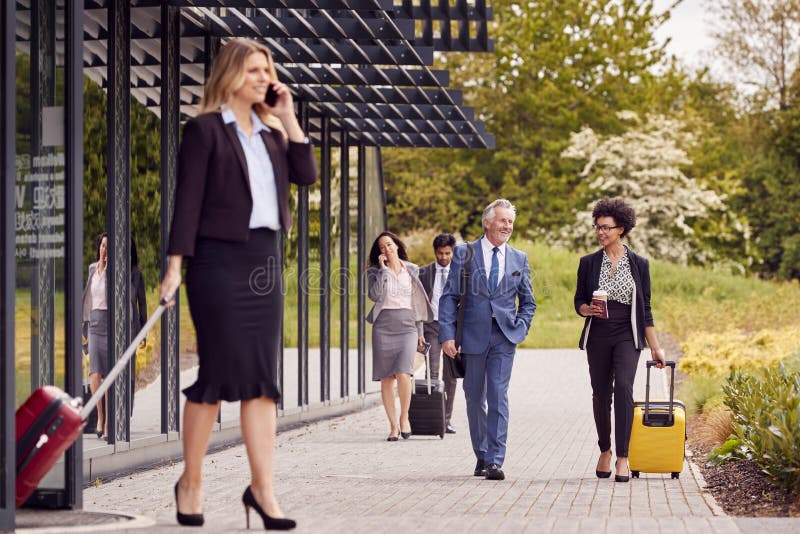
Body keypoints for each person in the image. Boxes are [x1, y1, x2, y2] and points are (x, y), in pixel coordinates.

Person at [159, 38, 317, 530]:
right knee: (216, 375)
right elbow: (187, 202)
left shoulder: (272, 135)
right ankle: (191, 482)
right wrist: (174, 268)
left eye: (267, 69)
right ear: (230, 75)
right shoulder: (204, 131)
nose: (264, 78)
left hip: (263, 260)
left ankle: (263, 491)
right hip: (216, 264)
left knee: (262, 383)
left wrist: (288, 117)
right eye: (253, 70)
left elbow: (307, 174)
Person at [439, 199, 536, 481]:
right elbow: (449, 297)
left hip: (504, 337)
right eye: (503, 220)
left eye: (510, 222)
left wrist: (521, 325)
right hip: (471, 337)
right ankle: (481, 453)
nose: (507, 226)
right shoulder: (463, 253)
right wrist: (447, 335)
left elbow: (528, 301)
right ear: (487, 222)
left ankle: (494, 460)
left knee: (497, 395)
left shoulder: (519, 258)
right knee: (473, 398)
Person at [573, 197, 666, 483]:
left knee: (624, 387)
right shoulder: (588, 263)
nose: (600, 233)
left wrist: (655, 347)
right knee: (601, 392)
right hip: (598, 333)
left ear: (621, 229)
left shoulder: (639, 264)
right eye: (597, 227)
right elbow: (578, 299)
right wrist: (584, 309)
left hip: (628, 333)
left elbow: (646, 308)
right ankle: (605, 450)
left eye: (606, 228)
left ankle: (623, 457)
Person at [366, 231, 432, 441]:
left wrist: (420, 333)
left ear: (396, 245)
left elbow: (417, 303)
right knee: (386, 378)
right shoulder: (374, 272)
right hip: (383, 326)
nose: (387, 249)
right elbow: (374, 295)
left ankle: (404, 418)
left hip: (408, 326)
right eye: (382, 247)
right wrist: (384, 272)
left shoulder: (411, 269)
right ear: (380, 253)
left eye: (389, 244)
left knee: (404, 373)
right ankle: (393, 426)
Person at [418, 233, 458, 434]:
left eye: (448, 253)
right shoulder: (424, 273)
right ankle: (433, 417)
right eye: (440, 253)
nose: (444, 257)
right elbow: (417, 303)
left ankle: (446, 420)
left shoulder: (460, 273)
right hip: (431, 326)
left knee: (450, 376)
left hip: (452, 328)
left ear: (453, 252)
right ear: (434, 252)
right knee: (432, 373)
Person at [82, 232, 109, 440]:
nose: (104, 249)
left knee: (108, 375)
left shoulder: (114, 271)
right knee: (94, 374)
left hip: (109, 322)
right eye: (102, 246)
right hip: (94, 323)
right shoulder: (92, 269)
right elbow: (87, 297)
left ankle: (109, 422)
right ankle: (99, 416)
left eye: (107, 247)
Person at [129, 237, 147, 416]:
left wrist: (143, 332)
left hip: (132, 327)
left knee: (129, 370)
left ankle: (128, 410)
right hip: (109, 327)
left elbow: (142, 303)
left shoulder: (136, 274)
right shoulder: (109, 269)